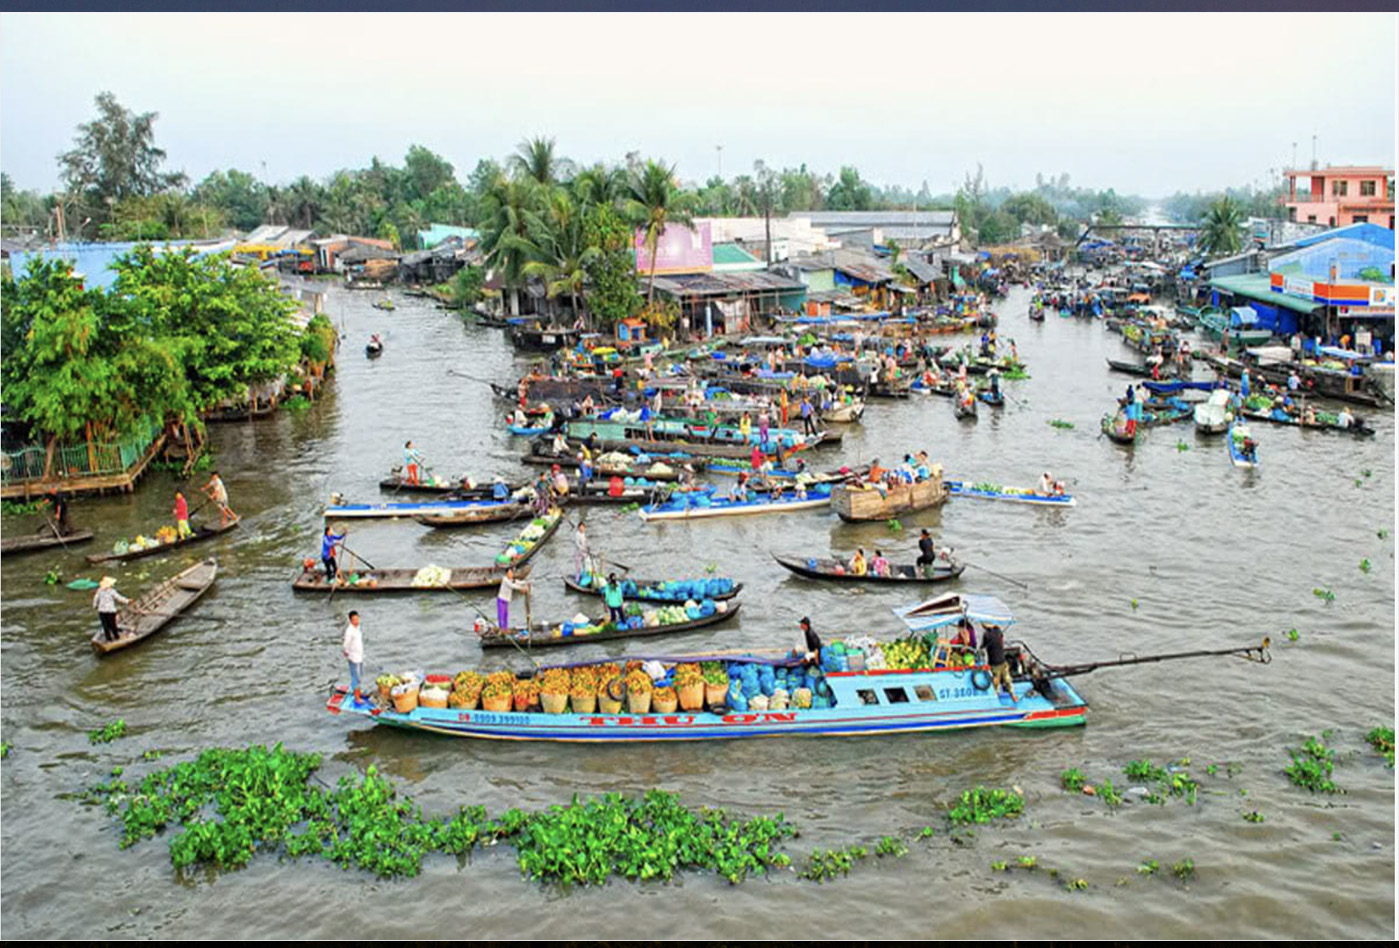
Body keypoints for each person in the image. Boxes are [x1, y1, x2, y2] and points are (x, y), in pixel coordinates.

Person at [93, 576, 130, 643]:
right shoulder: (111, 591)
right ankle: (116, 637)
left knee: (105, 626)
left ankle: (108, 639)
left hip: (101, 611)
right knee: (113, 625)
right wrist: (127, 601)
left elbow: (96, 600)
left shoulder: (99, 591)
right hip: (110, 611)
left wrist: (95, 606)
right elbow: (119, 598)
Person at [983, 623, 1013, 701]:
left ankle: (995, 696)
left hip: (994, 662)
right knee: (1007, 679)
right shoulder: (999, 631)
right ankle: (1012, 693)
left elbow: (983, 646)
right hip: (1002, 659)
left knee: (996, 681)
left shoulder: (987, 634)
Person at [342, 611, 365, 706]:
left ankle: (359, 692)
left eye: (357, 618)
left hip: (360, 656)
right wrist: (346, 652)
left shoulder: (358, 628)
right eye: (354, 619)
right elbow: (346, 644)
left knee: (360, 676)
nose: (356, 621)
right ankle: (357, 697)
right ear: (351, 620)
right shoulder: (349, 631)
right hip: (353, 657)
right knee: (355, 677)